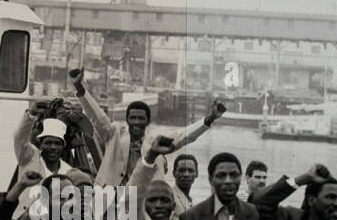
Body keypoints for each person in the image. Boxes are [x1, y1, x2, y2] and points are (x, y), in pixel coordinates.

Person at [72, 70, 225, 187]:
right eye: (133, 118)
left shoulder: (156, 141)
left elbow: (184, 136)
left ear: (147, 121)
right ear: (127, 120)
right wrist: (79, 87)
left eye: (141, 118)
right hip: (110, 198)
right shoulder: (114, 133)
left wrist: (210, 118)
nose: (137, 122)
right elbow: (97, 116)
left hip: (141, 202)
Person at [12, 115, 74, 218]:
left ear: (63, 146)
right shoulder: (29, 159)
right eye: (48, 143)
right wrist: (30, 116)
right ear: (40, 144)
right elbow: (19, 138)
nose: (53, 147)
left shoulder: (68, 171)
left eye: (57, 143)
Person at [170, 153, 198, 220]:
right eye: (181, 170)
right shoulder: (169, 197)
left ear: (196, 174)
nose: (186, 174)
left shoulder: (189, 200)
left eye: (190, 170)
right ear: (174, 173)